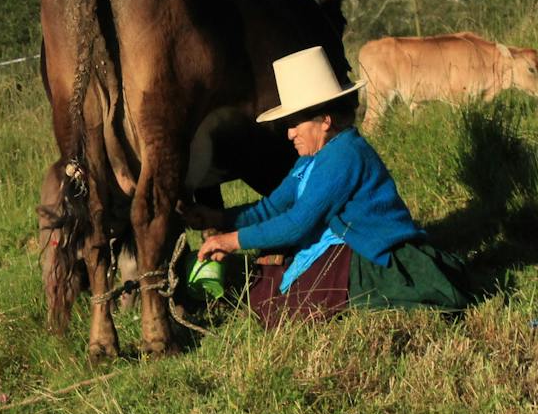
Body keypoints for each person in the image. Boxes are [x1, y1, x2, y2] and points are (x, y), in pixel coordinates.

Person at [188, 47, 468, 327]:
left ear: (325, 121)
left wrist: (231, 240)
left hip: (371, 252)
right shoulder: (309, 161)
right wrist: (219, 219)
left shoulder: (344, 155)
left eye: (295, 123)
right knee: (265, 292)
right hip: (342, 242)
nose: (289, 133)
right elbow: (273, 207)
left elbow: (297, 224)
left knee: (280, 310)